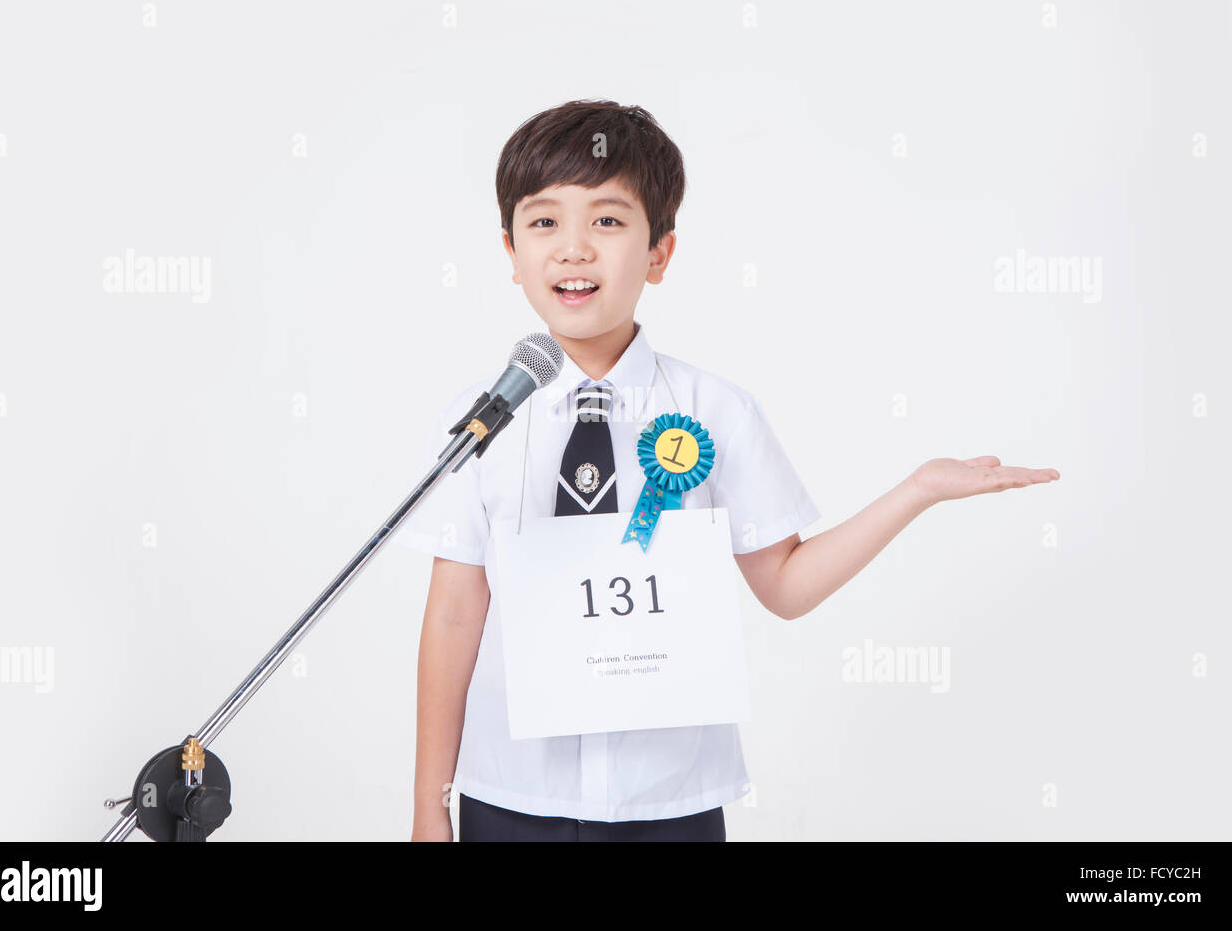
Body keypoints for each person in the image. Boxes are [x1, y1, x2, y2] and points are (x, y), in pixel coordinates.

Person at [396, 99, 1059, 842]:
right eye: (545, 221)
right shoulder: (480, 421)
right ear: (511, 254)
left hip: (668, 799)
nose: (574, 248)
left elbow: (785, 584)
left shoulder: (716, 410)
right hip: (509, 791)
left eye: (608, 221)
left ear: (660, 253)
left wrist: (918, 491)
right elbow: (454, 615)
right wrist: (431, 805)